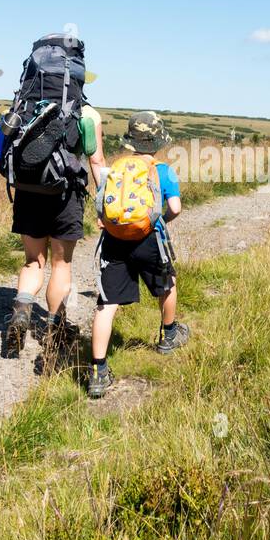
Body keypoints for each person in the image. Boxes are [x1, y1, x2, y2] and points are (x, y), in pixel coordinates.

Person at [4, 55, 106, 354]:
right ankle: (54, 326)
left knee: (33, 261)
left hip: (27, 192)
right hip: (66, 195)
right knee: (62, 263)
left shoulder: (21, 106)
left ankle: (22, 309)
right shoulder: (88, 113)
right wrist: (104, 204)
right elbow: (96, 160)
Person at [88, 111, 190, 399]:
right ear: (157, 140)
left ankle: (98, 372)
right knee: (166, 283)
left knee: (107, 303)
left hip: (115, 240)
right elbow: (177, 206)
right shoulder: (163, 170)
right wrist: (160, 220)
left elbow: (102, 208)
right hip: (150, 238)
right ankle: (168, 336)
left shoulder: (116, 169)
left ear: (130, 140)